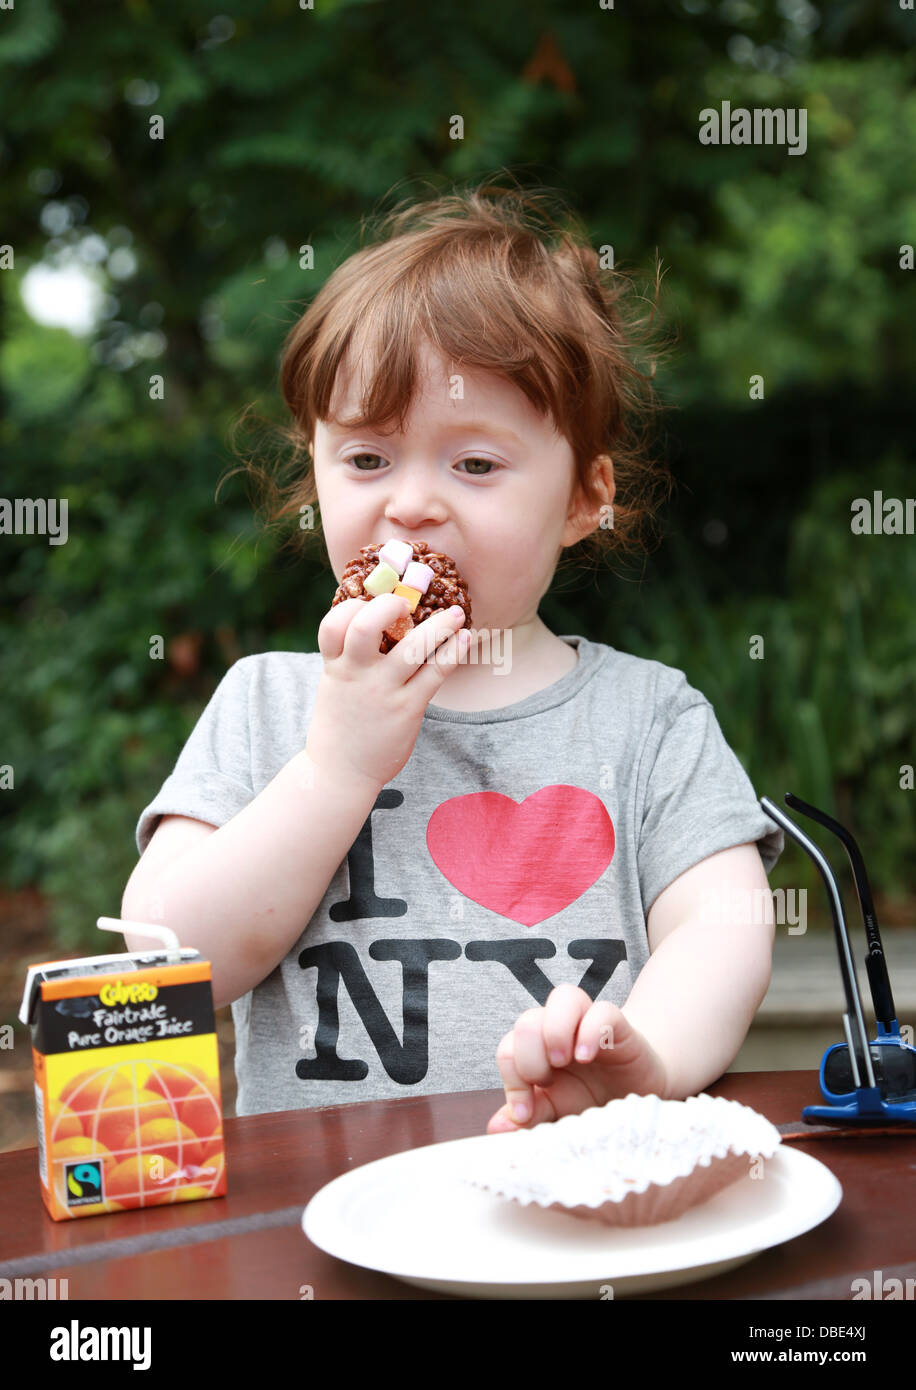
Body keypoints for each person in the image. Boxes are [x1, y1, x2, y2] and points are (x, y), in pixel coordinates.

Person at [122, 183, 783, 1134]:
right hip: (323, 1223)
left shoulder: (650, 720)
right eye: (366, 460)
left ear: (582, 499)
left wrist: (651, 1054)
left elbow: (725, 929)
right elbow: (163, 963)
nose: (413, 505)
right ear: (312, 468)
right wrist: (334, 769)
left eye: (474, 464)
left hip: (575, 1192)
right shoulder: (268, 703)